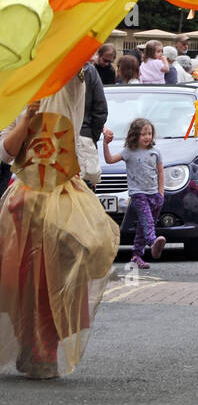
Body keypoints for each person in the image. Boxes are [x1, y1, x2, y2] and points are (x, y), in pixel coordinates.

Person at [0, 71, 120, 378]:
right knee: (20, 282)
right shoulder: (18, 89)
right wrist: (28, 115)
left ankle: (44, 350)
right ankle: (30, 347)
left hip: (63, 194)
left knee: (56, 277)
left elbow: (77, 63)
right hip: (24, 200)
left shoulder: (73, 77)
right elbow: (6, 152)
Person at [102, 119, 166, 270]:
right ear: (135, 135)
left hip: (154, 195)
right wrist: (105, 144)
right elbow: (109, 160)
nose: (147, 137)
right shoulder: (128, 152)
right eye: (143, 134)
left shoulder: (155, 152)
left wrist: (161, 193)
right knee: (147, 221)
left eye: (149, 134)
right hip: (138, 194)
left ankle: (136, 256)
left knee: (141, 227)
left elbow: (161, 172)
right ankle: (153, 241)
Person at [79, 58, 108, 187]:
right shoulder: (88, 70)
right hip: (83, 140)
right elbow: (100, 110)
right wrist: (91, 136)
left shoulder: (49, 66)